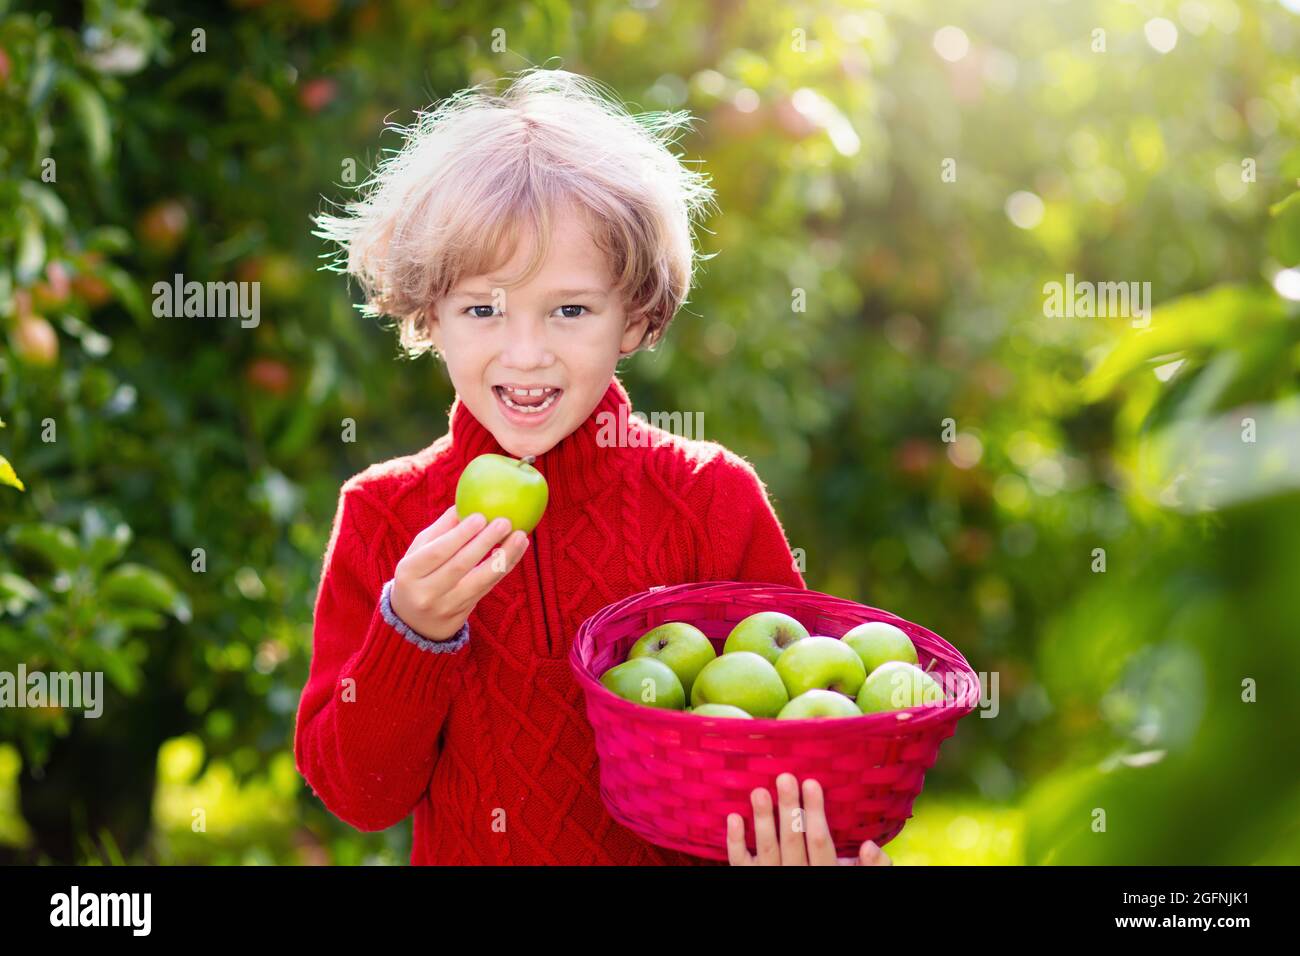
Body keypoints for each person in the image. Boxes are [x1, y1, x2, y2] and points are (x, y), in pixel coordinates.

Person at [297, 67, 891, 866]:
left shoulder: (709, 501)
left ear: (637, 317)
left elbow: (793, 742)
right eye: (483, 309)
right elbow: (358, 795)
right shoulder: (387, 514)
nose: (526, 352)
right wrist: (414, 629)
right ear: (427, 314)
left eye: (570, 309)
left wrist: (816, 843)